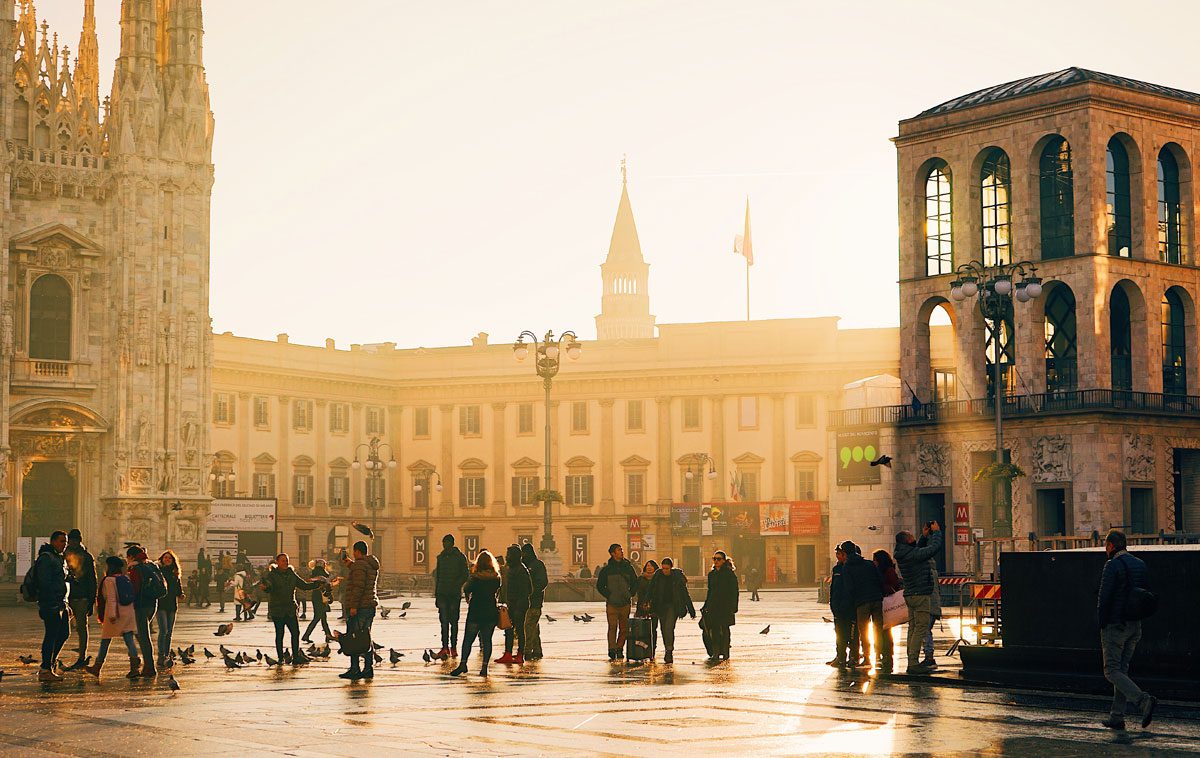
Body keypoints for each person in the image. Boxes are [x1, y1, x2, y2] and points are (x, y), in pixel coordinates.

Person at [1098, 530, 1157, 730]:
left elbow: (1104, 597)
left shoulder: (1112, 565)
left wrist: (1102, 623)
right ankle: (1117, 716)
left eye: (1106, 545)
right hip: (1135, 626)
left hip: (1116, 626)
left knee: (1111, 670)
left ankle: (1143, 701)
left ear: (1111, 546)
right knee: (1121, 671)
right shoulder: (1139, 564)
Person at [894, 522, 943, 675]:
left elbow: (917, 552)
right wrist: (936, 533)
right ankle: (913, 662)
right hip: (920, 595)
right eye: (911, 536)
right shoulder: (912, 554)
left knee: (913, 628)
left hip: (910, 595)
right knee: (921, 628)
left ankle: (911, 659)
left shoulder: (903, 553)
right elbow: (933, 549)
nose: (913, 537)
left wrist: (924, 536)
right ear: (907, 540)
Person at [259, 553, 323, 664]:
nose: (286, 563)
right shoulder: (272, 575)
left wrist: (317, 585)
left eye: (287, 560)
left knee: (295, 633)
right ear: (277, 562)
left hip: (290, 609)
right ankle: (280, 658)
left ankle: (296, 657)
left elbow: (303, 585)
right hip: (278, 609)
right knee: (280, 634)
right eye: (283, 561)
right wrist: (265, 588)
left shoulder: (291, 574)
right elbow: (269, 587)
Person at [84, 556, 140, 680]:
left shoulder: (109, 580)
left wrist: (111, 615)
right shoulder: (125, 578)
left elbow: (111, 598)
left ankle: (97, 667)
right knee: (129, 639)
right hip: (128, 612)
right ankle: (134, 667)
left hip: (116, 613)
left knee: (105, 640)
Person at [450, 550, 502, 677]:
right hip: (490, 611)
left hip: (476, 611)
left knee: (468, 639)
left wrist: (469, 596)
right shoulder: (496, 578)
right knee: (487, 640)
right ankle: (484, 667)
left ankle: (463, 664)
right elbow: (497, 591)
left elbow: (467, 588)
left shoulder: (475, 578)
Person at [339, 540, 380, 680]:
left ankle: (355, 669)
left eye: (354, 551)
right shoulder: (370, 564)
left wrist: (353, 606)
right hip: (369, 605)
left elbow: (358, 587)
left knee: (355, 639)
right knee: (365, 639)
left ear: (357, 551)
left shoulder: (359, 565)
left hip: (360, 607)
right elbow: (362, 575)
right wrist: (351, 564)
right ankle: (368, 668)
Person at [35, 531, 71, 682]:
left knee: (64, 633)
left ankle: (50, 662)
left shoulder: (58, 557)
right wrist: (52, 600)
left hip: (61, 602)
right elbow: (44, 582)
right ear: (53, 541)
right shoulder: (46, 558)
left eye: (66, 542)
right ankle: (45, 669)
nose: (64, 545)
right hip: (51, 603)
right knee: (51, 635)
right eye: (62, 541)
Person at [595, 543, 639, 661]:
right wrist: (609, 595)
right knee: (612, 627)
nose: (622, 552)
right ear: (613, 553)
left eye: (621, 550)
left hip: (625, 603)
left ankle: (619, 648)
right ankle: (611, 649)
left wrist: (630, 594)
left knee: (624, 628)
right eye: (619, 550)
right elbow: (600, 585)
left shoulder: (628, 567)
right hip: (612, 604)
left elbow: (635, 582)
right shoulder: (607, 570)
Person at [647, 557, 695, 664]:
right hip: (660, 606)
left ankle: (669, 650)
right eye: (663, 568)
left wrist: (690, 608)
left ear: (671, 568)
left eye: (667, 569)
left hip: (673, 606)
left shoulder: (677, 577)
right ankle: (667, 649)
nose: (665, 571)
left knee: (669, 628)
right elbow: (651, 589)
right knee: (663, 629)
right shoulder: (658, 576)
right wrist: (646, 601)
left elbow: (684, 593)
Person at [126, 544, 163, 678]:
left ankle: (149, 667)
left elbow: (135, 588)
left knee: (143, 637)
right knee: (142, 635)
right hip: (152, 604)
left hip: (140, 605)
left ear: (131, 556)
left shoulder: (135, 568)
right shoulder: (151, 565)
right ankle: (145, 664)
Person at [63, 529, 97, 671]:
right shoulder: (63, 555)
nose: (73, 542)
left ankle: (82, 656)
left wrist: (92, 599)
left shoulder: (85, 557)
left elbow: (92, 579)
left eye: (75, 540)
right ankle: (57, 656)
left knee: (81, 627)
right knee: (64, 628)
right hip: (67, 596)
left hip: (79, 596)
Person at [433, 534, 469, 659]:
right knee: (444, 621)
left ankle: (453, 647)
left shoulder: (459, 557)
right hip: (443, 593)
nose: (445, 545)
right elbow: (438, 577)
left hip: (453, 594)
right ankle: (445, 647)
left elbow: (465, 574)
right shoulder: (441, 557)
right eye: (443, 542)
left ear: (452, 543)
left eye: (446, 542)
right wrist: (437, 594)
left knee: (453, 621)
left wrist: (456, 584)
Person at [497, 544, 531, 664]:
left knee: (519, 630)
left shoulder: (521, 570)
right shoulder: (511, 569)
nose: (507, 557)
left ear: (515, 556)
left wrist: (519, 605)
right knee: (508, 629)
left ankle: (520, 654)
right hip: (511, 603)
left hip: (519, 605)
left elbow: (528, 589)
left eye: (509, 555)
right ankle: (508, 653)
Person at [702, 550, 739, 662]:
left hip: (725, 606)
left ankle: (726, 652)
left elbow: (734, 591)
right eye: (714, 559)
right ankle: (716, 652)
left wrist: (734, 606)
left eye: (718, 559)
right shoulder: (712, 574)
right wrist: (706, 605)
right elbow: (710, 591)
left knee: (725, 628)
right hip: (713, 606)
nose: (716, 561)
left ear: (723, 561)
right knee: (714, 629)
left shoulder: (729, 574)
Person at [827, 542, 856, 668]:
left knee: (852, 635)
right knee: (839, 634)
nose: (838, 556)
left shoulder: (852, 568)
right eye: (837, 554)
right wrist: (833, 603)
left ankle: (853, 657)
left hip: (850, 607)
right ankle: (841, 657)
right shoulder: (837, 569)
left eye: (839, 554)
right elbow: (834, 588)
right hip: (838, 607)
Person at [155, 550, 185, 669]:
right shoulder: (158, 571)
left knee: (169, 632)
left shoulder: (175, 573)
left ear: (173, 561)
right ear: (162, 559)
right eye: (165, 558)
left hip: (172, 605)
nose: (167, 560)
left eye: (169, 558)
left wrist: (181, 594)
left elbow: (178, 587)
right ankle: (161, 655)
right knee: (163, 630)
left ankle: (166, 655)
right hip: (161, 604)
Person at [521, 542, 548, 661]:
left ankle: (527, 651)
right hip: (529, 601)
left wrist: (531, 592)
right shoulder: (526, 565)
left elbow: (542, 582)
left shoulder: (536, 565)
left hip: (534, 601)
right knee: (533, 627)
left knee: (528, 626)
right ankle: (537, 650)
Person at [302, 559, 335, 642]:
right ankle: (306, 635)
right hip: (322, 596)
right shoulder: (323, 574)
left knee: (323, 617)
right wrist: (330, 596)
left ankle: (328, 635)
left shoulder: (314, 573)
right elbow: (327, 586)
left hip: (316, 596)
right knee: (317, 617)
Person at [634, 559, 660, 659]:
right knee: (641, 630)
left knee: (653, 629)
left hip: (654, 608)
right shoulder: (640, 579)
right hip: (641, 607)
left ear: (655, 568)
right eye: (647, 565)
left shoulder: (658, 579)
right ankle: (641, 650)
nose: (649, 567)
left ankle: (652, 649)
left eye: (651, 566)